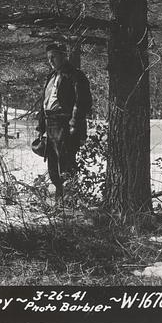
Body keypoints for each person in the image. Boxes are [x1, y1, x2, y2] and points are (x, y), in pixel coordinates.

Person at [36, 42, 92, 207]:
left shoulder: (75, 76)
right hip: (51, 125)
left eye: (54, 56)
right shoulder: (51, 76)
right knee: (53, 166)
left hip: (65, 124)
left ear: (63, 56)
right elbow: (44, 103)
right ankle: (59, 203)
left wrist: (74, 124)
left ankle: (70, 203)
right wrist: (41, 126)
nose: (51, 61)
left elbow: (83, 102)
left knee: (66, 165)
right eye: (48, 58)